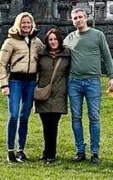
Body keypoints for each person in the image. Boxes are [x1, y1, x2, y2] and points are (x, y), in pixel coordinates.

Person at [64, 6, 113, 165]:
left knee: (94, 117)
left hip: (93, 81)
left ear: (86, 18)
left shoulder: (98, 35)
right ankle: (80, 151)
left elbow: (107, 57)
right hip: (74, 82)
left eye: (80, 17)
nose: (78, 20)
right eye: (75, 18)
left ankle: (95, 152)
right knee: (76, 117)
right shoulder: (69, 39)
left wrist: (112, 76)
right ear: (72, 21)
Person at [0, 12, 44, 164]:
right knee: (14, 116)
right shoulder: (10, 42)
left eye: (28, 23)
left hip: (30, 82)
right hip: (15, 81)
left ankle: (21, 150)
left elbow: (46, 53)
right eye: (23, 23)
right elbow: (1, 64)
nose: (26, 26)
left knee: (24, 117)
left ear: (32, 25)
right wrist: (4, 84)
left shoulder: (37, 42)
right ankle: (10, 150)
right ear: (18, 24)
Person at [35, 27, 72, 164]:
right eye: (50, 39)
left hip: (58, 94)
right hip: (43, 94)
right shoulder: (41, 54)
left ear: (59, 40)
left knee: (53, 124)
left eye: (55, 39)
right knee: (45, 125)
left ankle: (51, 154)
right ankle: (46, 152)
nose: (53, 42)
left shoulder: (67, 54)